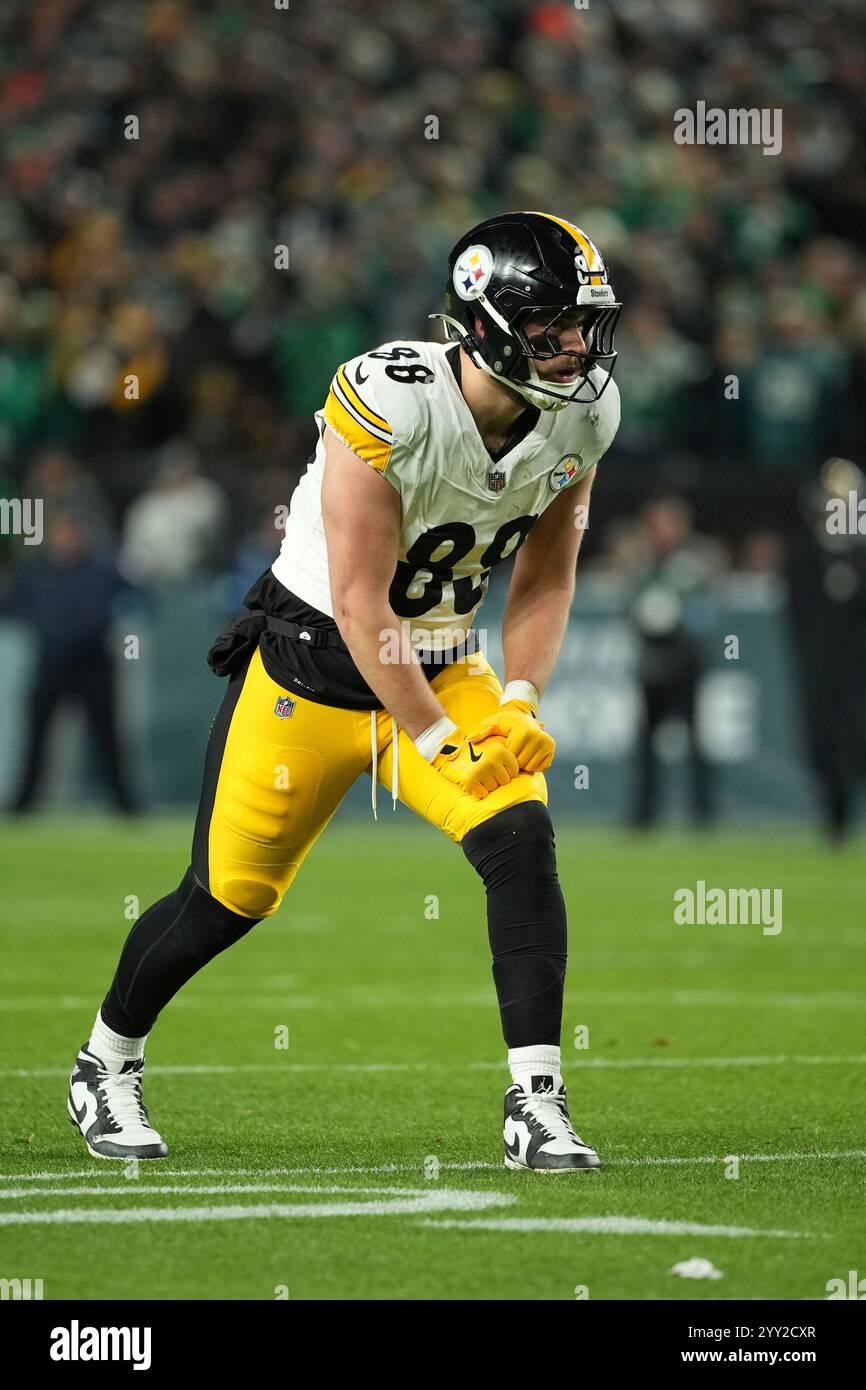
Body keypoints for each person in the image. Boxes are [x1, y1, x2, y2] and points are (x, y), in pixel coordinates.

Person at [68, 212, 622, 1171]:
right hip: (312, 671)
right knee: (226, 899)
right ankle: (105, 1058)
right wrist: (440, 737)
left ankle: (535, 1100)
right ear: (486, 324)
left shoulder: (584, 414)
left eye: (584, 324)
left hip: (443, 659)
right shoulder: (389, 397)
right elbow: (365, 605)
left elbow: (547, 577)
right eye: (554, 325)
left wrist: (523, 696)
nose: (577, 346)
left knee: (522, 838)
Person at [3, 510, 141, 814]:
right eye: (61, 532)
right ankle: (23, 803)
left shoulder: (102, 570)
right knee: (36, 738)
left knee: (108, 740)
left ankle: (126, 805)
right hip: (51, 664)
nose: (67, 539)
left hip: (93, 665)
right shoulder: (35, 573)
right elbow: (12, 606)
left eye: (72, 532)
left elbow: (133, 599)